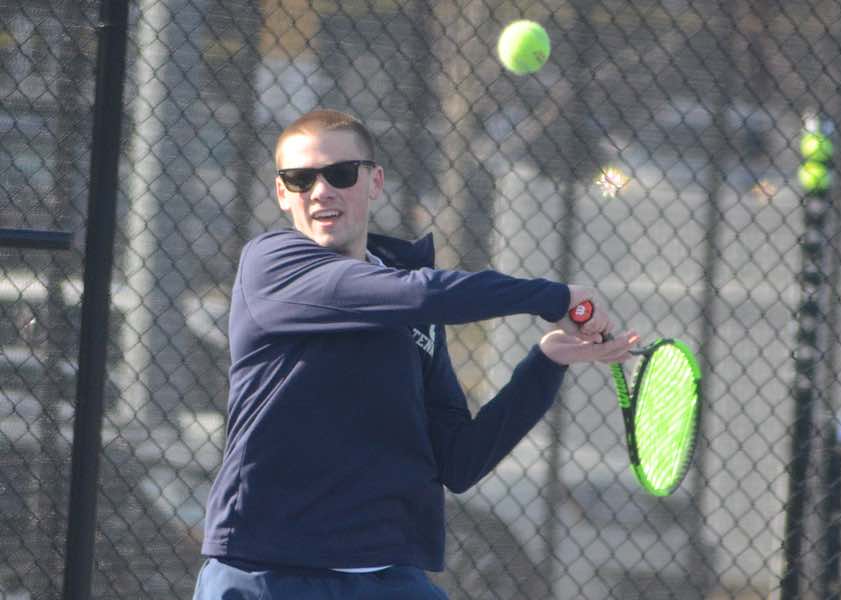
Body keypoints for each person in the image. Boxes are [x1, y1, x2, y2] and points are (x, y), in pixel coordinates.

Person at [193, 108, 639, 599]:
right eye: (300, 179)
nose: (321, 191)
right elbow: (417, 293)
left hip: (387, 575)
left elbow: (459, 462)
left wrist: (546, 363)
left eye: (341, 174)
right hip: (267, 570)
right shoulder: (273, 265)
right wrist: (552, 297)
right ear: (282, 193)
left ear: (375, 181)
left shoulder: (412, 304)